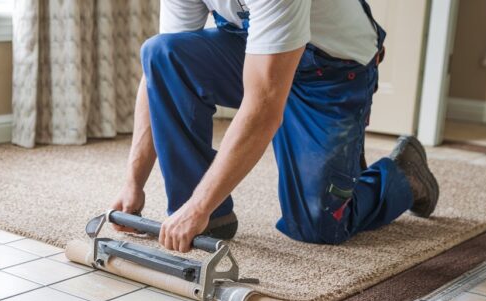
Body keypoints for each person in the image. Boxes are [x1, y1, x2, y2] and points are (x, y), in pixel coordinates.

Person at [111, 0, 439, 252]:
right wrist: (133, 183)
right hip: (256, 50)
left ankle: (404, 175)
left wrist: (198, 207)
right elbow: (158, 75)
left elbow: (265, 108)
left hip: (329, 74)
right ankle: (208, 216)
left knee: (318, 224)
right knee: (163, 53)